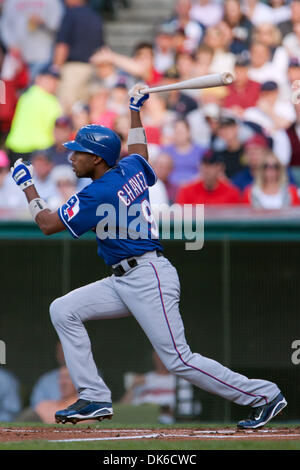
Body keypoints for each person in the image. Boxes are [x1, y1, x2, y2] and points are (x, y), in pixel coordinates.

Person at [10, 83, 287, 429]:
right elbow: (139, 150)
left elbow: (48, 224)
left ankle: (265, 395)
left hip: (148, 276)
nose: (71, 156)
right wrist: (134, 109)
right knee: (63, 309)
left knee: (178, 360)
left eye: (78, 151)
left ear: (96, 159)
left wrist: (27, 186)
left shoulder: (98, 193)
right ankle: (94, 396)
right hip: (125, 278)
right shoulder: (129, 169)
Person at [54, 0, 105, 111]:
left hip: (72, 70)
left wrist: (55, 69)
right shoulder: (95, 16)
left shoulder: (70, 14)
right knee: (85, 113)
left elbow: (62, 45)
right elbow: (101, 48)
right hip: (92, 69)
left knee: (66, 111)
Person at [5, 64, 62, 163]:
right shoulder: (51, 101)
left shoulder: (25, 96)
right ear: (38, 78)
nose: (53, 83)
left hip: (15, 149)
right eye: (49, 79)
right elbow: (56, 131)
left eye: (55, 80)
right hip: (38, 151)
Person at [0, 0, 63, 80]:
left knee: (36, 88)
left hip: (43, 56)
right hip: (17, 57)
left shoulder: (52, 2)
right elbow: (4, 25)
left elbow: (60, 26)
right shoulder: (11, 2)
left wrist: (43, 23)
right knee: (18, 89)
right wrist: (10, 44)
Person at [175, 150, 241, 205]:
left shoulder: (232, 193)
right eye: (204, 165)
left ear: (220, 167)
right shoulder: (186, 192)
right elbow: (179, 218)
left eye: (211, 165)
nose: (207, 170)